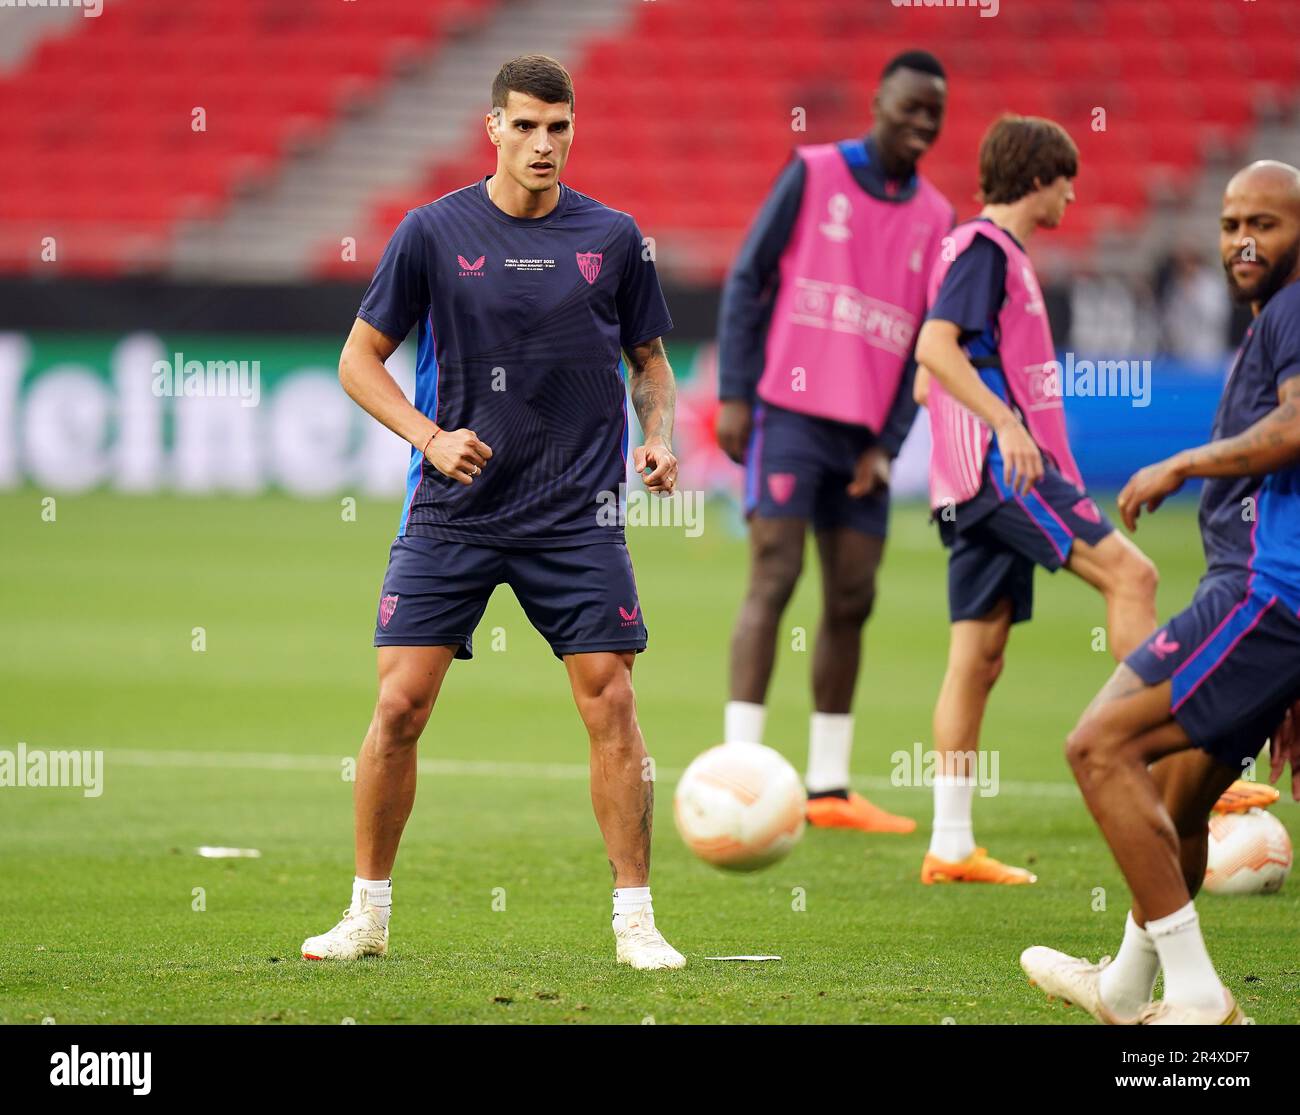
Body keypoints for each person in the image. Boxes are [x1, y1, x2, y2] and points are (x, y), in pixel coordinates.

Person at [302, 55, 686, 971]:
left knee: (612, 701)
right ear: (494, 128)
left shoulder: (616, 237)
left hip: (575, 511)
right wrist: (430, 436)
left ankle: (636, 921)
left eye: (559, 126)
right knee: (399, 705)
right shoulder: (432, 233)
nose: (543, 144)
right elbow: (359, 361)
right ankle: (367, 914)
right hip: (455, 507)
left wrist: (661, 435)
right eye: (525, 126)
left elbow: (651, 363)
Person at [1021, 160, 1300, 1024]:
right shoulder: (1271, 318)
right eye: (1229, 225)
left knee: (1099, 748)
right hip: (1271, 601)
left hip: (1264, 590)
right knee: (1178, 795)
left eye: (1267, 224)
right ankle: (1125, 988)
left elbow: (1295, 427)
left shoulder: (1294, 310)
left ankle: (1195, 996)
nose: (1243, 240)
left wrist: (1184, 461)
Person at [914, 115, 1160, 884]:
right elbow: (932, 347)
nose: (1073, 193)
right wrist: (1002, 424)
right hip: (1001, 471)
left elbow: (929, 379)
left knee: (976, 658)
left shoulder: (987, 253)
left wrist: (970, 415)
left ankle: (950, 844)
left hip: (967, 479)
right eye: (1065, 180)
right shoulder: (986, 250)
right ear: (1036, 178)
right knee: (1134, 577)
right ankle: (1177, 762)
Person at [716, 50, 953, 833]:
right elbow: (749, 276)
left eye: (934, 113)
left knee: (852, 596)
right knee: (773, 577)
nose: (921, 122)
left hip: (864, 440)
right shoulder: (814, 171)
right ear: (879, 100)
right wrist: (736, 392)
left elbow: (928, 338)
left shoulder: (938, 219)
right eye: (909, 106)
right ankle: (738, 768)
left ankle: (826, 788)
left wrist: (888, 441)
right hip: (786, 413)